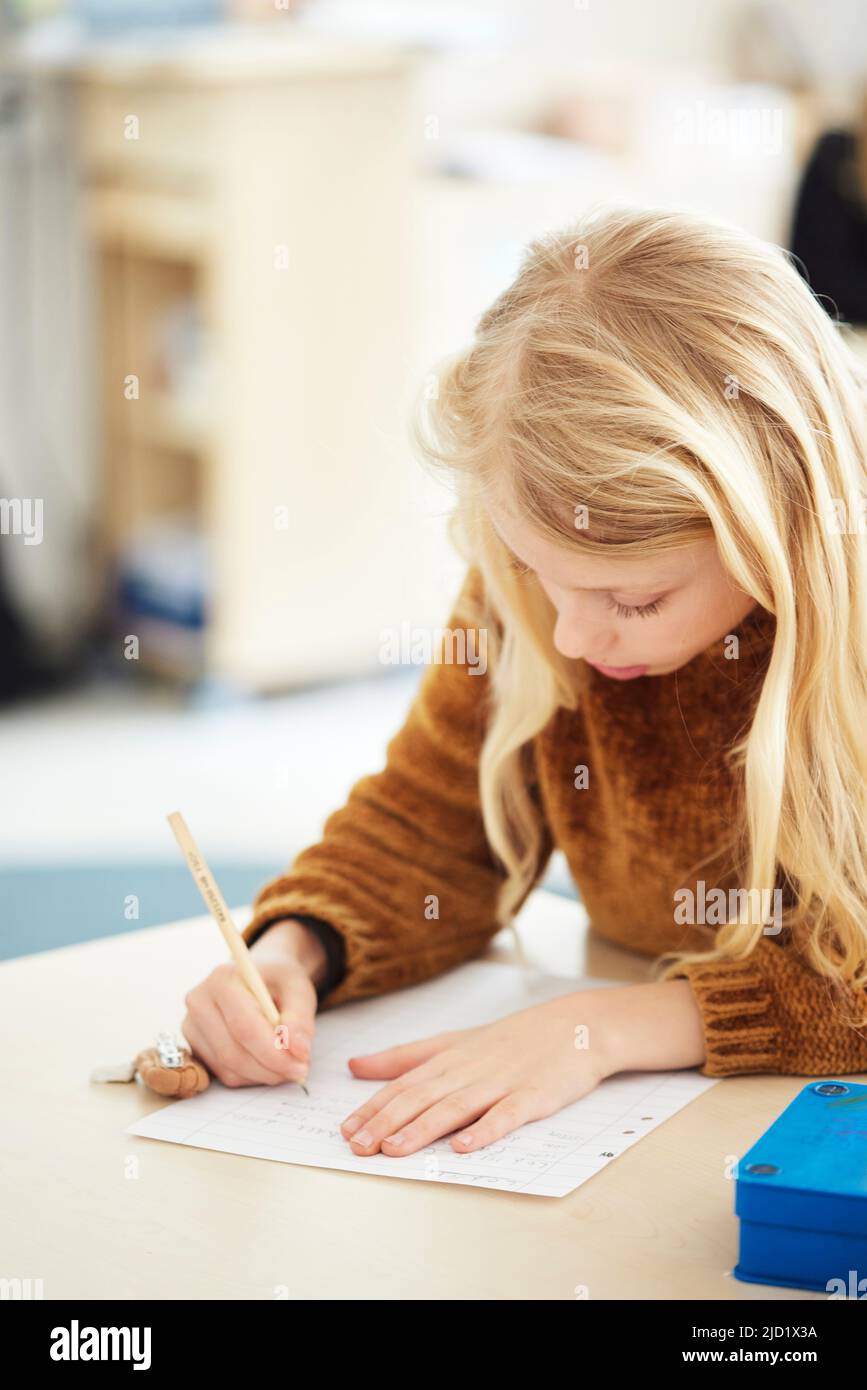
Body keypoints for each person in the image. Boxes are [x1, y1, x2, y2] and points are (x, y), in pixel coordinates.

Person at [183, 206, 867, 1160]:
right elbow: (432, 828)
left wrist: (613, 1028)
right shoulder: (537, 586)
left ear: (775, 530)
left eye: (632, 599)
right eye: (535, 572)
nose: (573, 634)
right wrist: (292, 952)